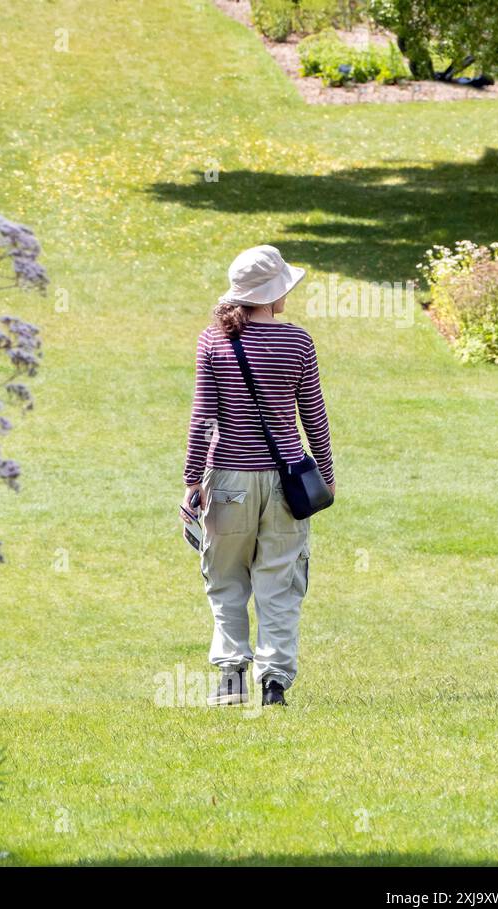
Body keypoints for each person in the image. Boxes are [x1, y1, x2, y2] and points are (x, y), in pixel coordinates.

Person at [179, 245, 334, 707]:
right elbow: (314, 417)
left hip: (226, 478)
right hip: (288, 482)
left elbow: (203, 416)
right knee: (280, 581)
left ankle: (230, 681)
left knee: (225, 580)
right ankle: (274, 685)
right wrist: (324, 473)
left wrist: (191, 481)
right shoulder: (298, 342)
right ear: (272, 294)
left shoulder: (213, 341)